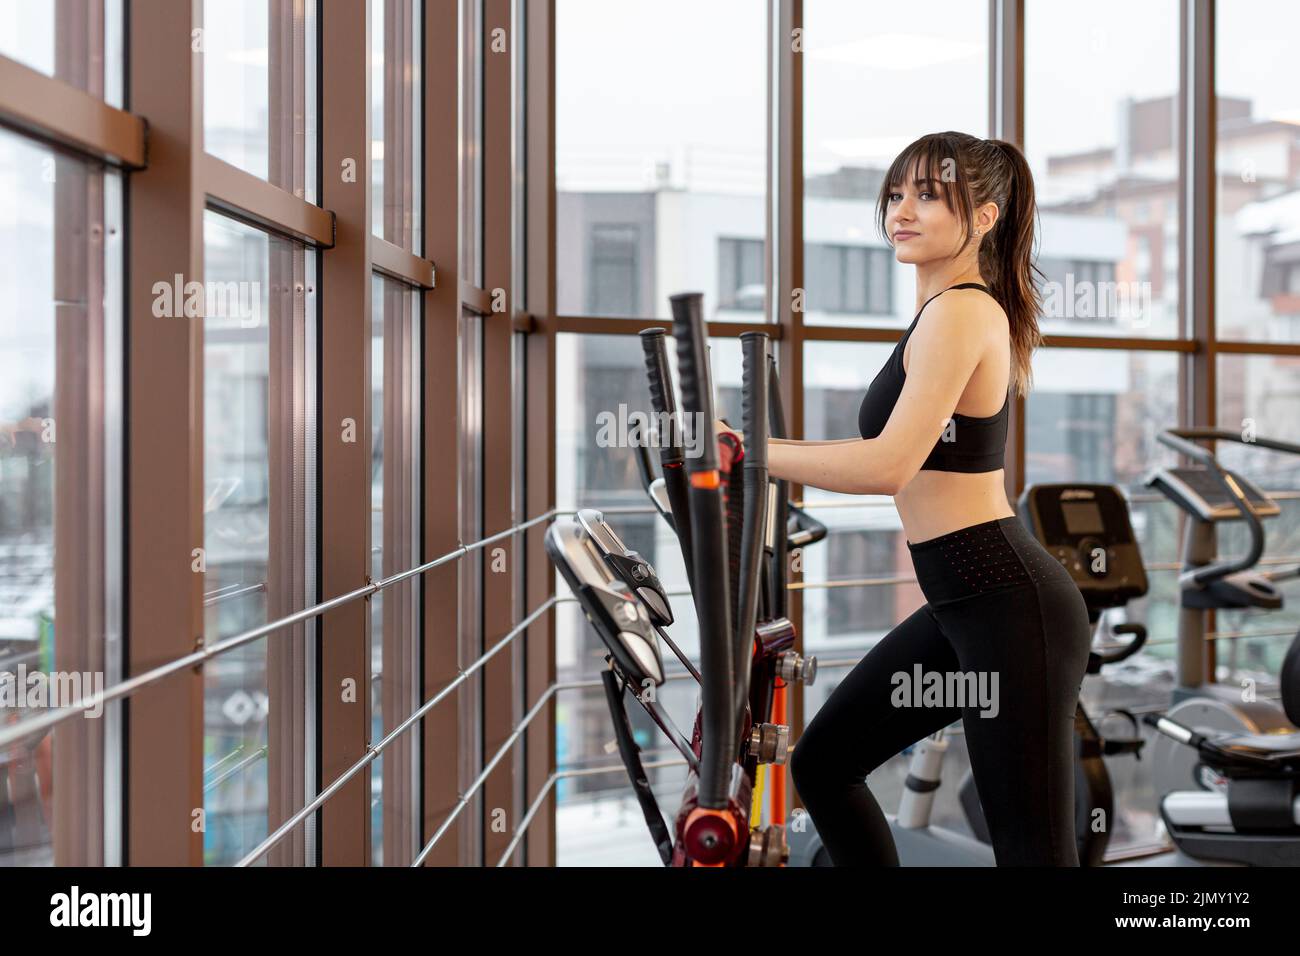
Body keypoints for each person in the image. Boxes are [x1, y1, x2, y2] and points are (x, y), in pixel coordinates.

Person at [745, 131, 1092, 865]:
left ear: (985, 217)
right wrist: (752, 452)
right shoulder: (941, 314)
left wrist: (749, 453)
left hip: (1008, 602)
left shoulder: (964, 313)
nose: (903, 210)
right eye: (898, 194)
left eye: (929, 195)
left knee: (1034, 853)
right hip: (960, 602)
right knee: (823, 765)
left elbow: (887, 466)